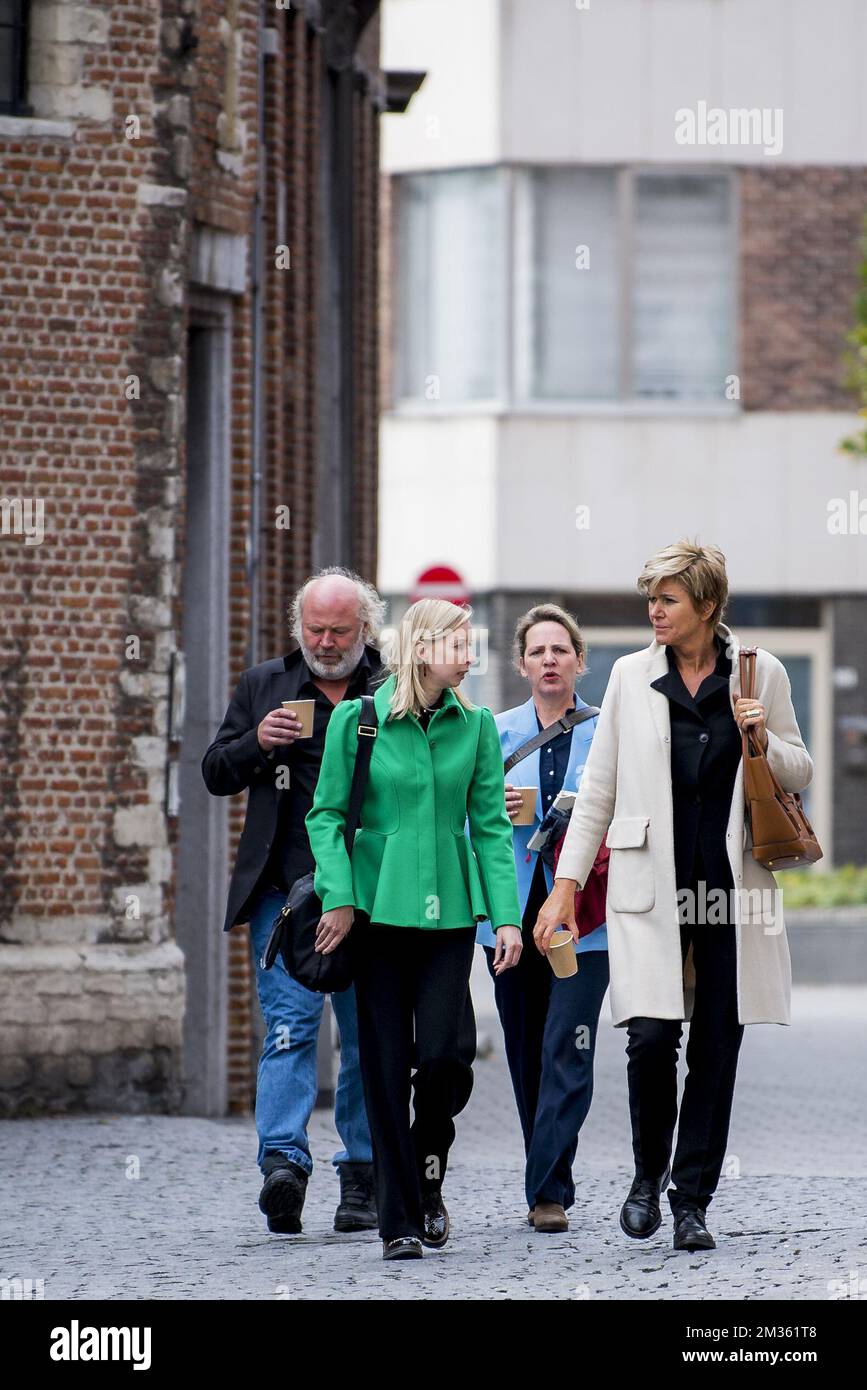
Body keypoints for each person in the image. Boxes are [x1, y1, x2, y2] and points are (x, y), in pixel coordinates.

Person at [535, 540, 813, 1252]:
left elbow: (798, 768)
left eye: (666, 599)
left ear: (705, 606)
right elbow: (596, 790)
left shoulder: (759, 672)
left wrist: (758, 733)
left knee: (717, 1047)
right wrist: (563, 890)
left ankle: (691, 1200)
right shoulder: (630, 677)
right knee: (651, 1038)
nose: (653, 612)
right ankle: (644, 1175)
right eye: (649, 599)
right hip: (647, 888)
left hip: (730, 890)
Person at [306, 598, 523, 1260]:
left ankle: (429, 1177)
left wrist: (506, 919)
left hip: (449, 917)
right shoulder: (358, 720)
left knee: (442, 1059)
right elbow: (324, 815)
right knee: (381, 1064)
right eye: (458, 643)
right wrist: (337, 897)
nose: (468, 655)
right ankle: (397, 1217)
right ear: (423, 648)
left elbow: (489, 826)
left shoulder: (477, 725)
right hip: (374, 914)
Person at [202, 567, 384, 1236]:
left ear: (364, 629)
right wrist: (259, 743)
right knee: (288, 1030)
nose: (326, 641)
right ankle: (283, 1166)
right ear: (297, 628)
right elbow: (215, 771)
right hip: (286, 899)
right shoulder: (265, 685)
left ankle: (361, 1175)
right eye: (315, 629)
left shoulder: (390, 688)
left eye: (339, 630)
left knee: (367, 1039)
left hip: (369, 896)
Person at [476, 604, 610, 1233]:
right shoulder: (493, 732)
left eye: (561, 650)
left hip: (585, 913)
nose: (550, 660)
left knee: (567, 1044)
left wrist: (590, 809)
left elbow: (634, 807)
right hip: (511, 912)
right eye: (538, 651)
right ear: (523, 664)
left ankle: (546, 1189)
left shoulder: (608, 731)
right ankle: (550, 1174)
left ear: (580, 661)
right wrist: (493, 808)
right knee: (527, 1048)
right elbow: (463, 816)